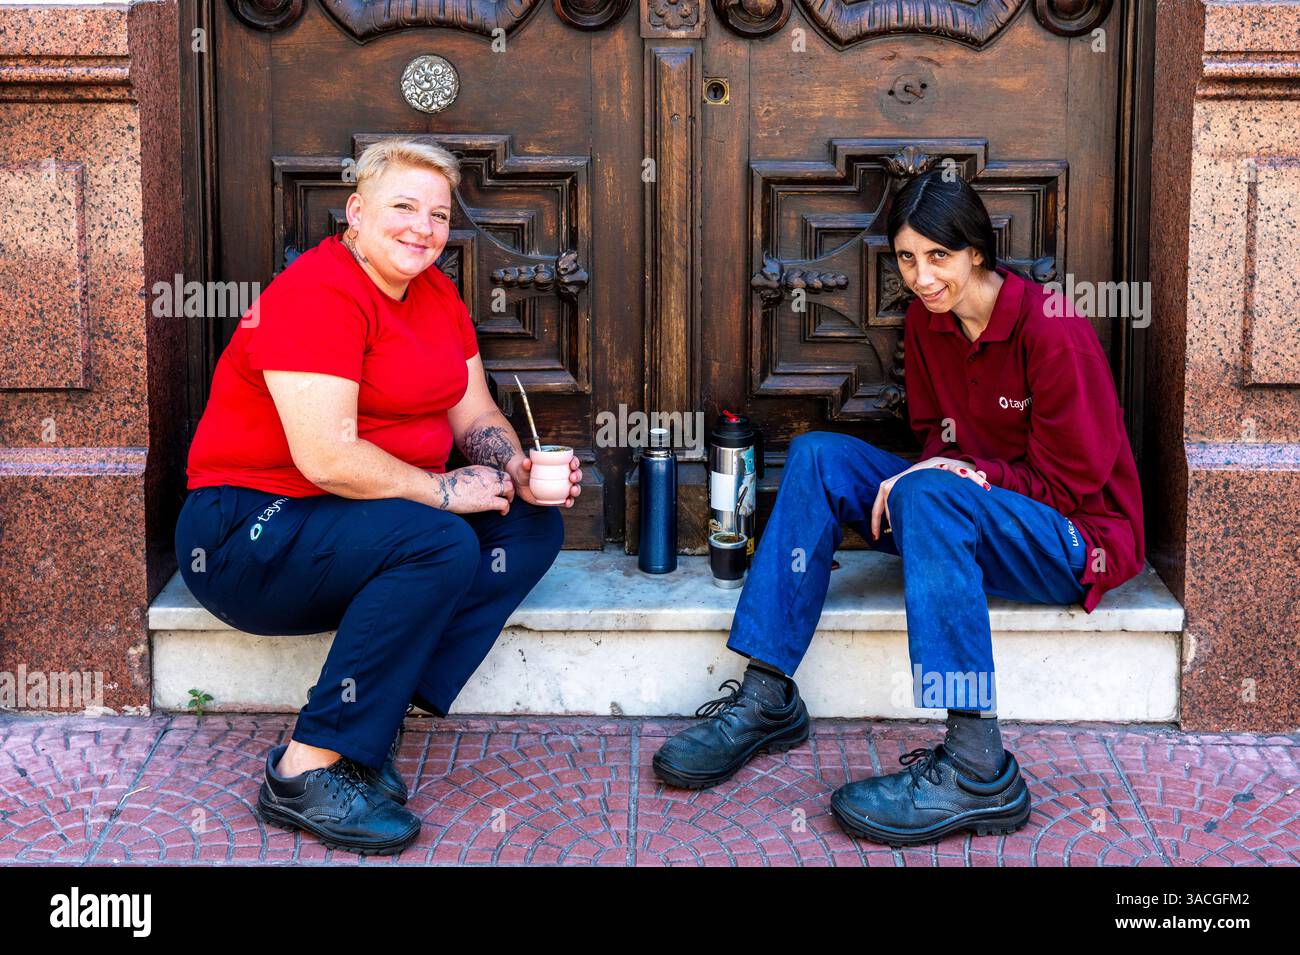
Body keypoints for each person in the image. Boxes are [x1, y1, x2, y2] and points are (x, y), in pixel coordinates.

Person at [652, 169, 1144, 846]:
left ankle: (977, 760)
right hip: (965, 509)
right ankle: (767, 696)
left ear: (976, 250)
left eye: (938, 256)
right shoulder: (927, 322)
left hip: (1070, 536)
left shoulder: (1051, 329)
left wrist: (948, 474)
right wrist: (933, 469)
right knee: (819, 456)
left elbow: (1073, 484)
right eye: (907, 258)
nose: (921, 277)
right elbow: (936, 438)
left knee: (932, 489)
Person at [174, 137, 579, 855]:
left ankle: (372, 723)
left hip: (355, 521)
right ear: (354, 215)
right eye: (403, 207)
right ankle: (305, 768)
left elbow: (476, 414)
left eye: (437, 214)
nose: (422, 228)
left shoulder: (437, 295)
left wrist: (514, 468)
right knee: (439, 539)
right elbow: (327, 455)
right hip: (246, 531)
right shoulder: (314, 295)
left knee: (529, 530)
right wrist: (442, 491)